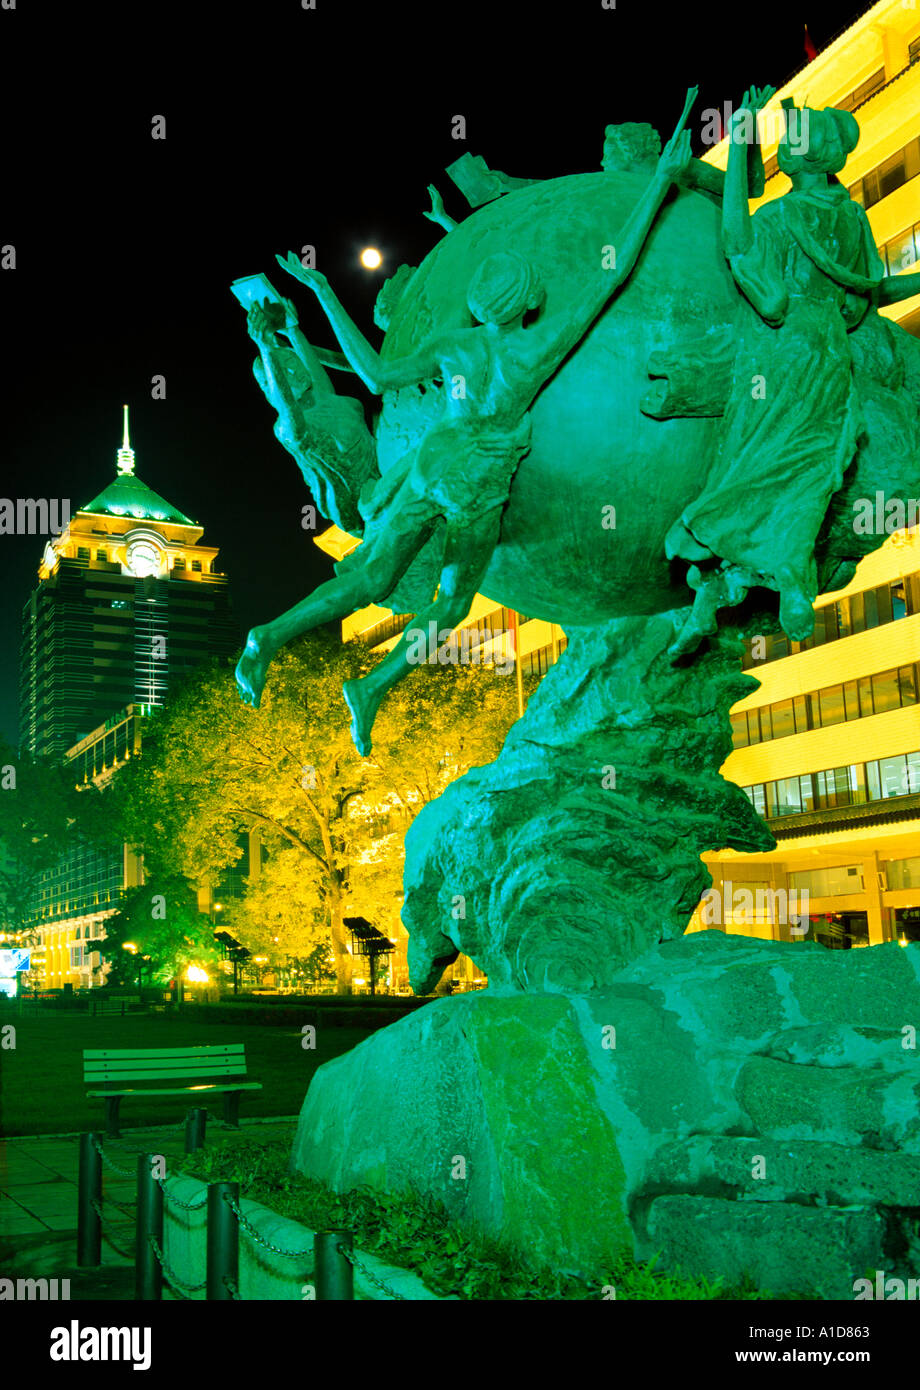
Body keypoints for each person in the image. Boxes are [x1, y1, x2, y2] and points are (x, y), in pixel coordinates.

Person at [236, 91, 697, 754]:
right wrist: (657, 186)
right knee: (451, 604)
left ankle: (268, 637)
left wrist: (321, 291)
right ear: (529, 298)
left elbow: (372, 374)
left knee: (370, 576)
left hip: (433, 459)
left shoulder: (456, 345)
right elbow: (615, 271)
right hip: (477, 480)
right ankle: (372, 688)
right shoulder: (530, 351)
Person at [664, 86, 887, 658]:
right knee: (803, 471)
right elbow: (866, 298)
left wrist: (740, 143)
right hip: (828, 356)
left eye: (792, 136)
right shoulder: (853, 218)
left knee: (755, 470)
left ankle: (765, 582)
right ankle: (736, 590)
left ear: (804, 155)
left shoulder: (783, 216)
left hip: (782, 349)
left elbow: (741, 253)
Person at [248, 293, 377, 534]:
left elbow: (312, 369)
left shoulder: (324, 398)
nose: (295, 372)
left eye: (294, 364)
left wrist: (293, 329)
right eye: (285, 372)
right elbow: (287, 405)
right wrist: (265, 349)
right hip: (359, 506)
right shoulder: (289, 427)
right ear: (271, 388)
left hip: (382, 471)